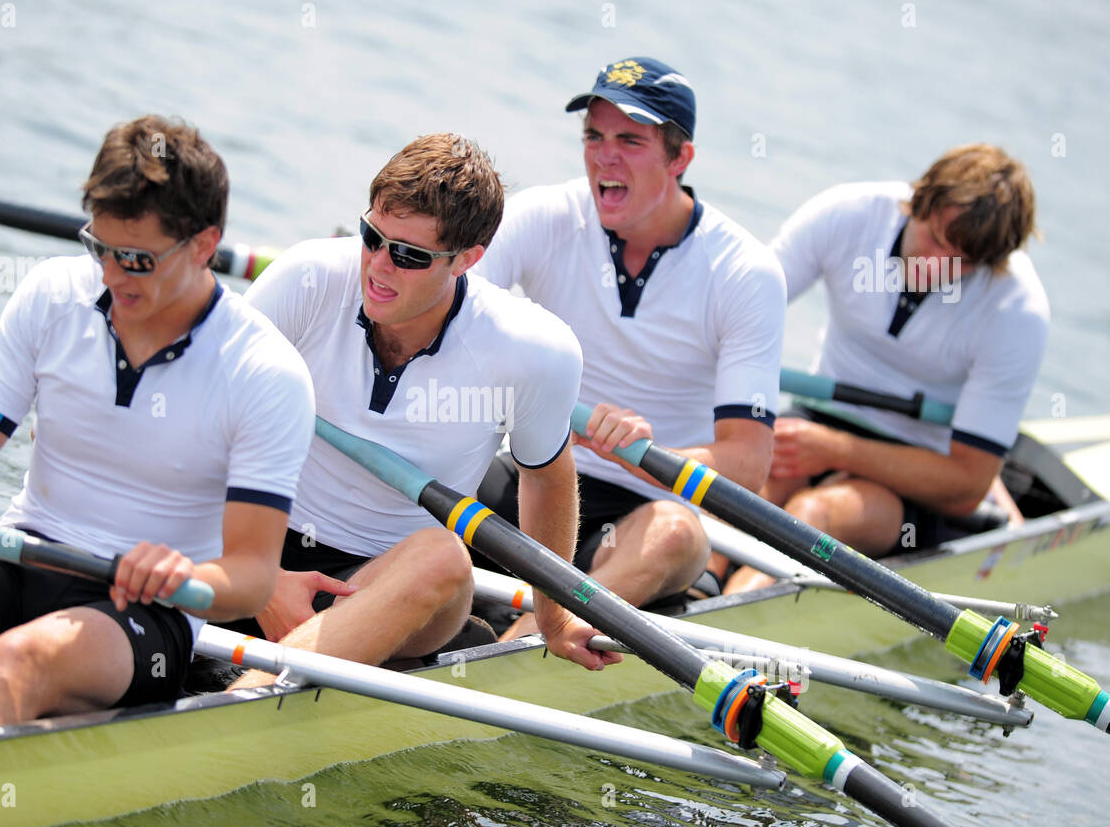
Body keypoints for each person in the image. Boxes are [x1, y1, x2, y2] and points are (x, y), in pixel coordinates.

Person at [0, 115, 315, 728]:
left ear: (202, 245)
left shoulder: (264, 372)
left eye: (136, 260)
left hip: (142, 611)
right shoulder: (52, 294)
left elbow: (249, 575)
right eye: (100, 247)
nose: (110, 276)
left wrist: (185, 574)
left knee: (19, 659)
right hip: (20, 554)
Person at [228, 133, 619, 690]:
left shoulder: (532, 350)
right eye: (372, 237)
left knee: (444, 557)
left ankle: (245, 703)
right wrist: (264, 576)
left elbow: (547, 481)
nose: (379, 268)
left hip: (393, 582)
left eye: (409, 255)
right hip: (256, 541)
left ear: (467, 260)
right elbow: (204, 425)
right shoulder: (306, 280)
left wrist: (553, 617)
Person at [472, 57, 786, 633]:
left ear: (680, 158)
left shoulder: (744, 272)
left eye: (630, 140)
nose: (604, 155)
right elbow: (450, 312)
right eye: (593, 135)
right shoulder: (545, 215)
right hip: (532, 475)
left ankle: (518, 655)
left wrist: (642, 456)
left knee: (676, 533)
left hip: (642, 515)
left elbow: (746, 461)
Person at [724, 144, 1048, 594]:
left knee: (813, 515)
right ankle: (688, 593)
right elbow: (734, 314)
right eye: (935, 238)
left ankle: (712, 627)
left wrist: (839, 451)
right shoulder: (848, 215)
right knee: (742, 493)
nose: (937, 266)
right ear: (918, 202)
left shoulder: (1018, 310)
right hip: (820, 417)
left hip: (925, 465)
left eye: (961, 261)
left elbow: (968, 483)